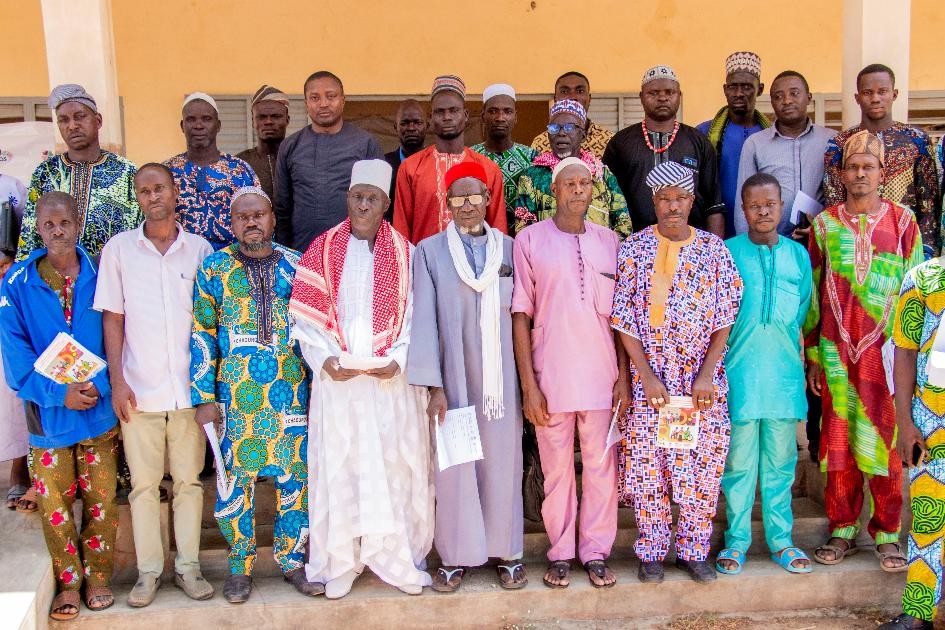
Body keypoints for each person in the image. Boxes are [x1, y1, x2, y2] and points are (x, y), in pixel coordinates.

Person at [289, 159, 433, 598]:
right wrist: (325, 360)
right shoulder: (323, 249)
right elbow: (305, 318)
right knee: (343, 465)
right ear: (347, 199)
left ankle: (396, 558)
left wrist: (401, 357)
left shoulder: (407, 252)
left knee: (393, 466)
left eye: (373, 198)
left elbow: (416, 317)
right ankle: (342, 562)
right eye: (357, 197)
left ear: (386, 204)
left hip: (390, 385)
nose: (364, 205)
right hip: (340, 385)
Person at [611, 161, 743, 584]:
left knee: (699, 467)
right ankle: (651, 551)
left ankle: (693, 549)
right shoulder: (633, 248)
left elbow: (725, 315)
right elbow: (623, 318)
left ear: (691, 201)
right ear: (653, 201)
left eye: (680, 198)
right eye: (664, 198)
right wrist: (644, 375)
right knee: (650, 467)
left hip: (697, 384)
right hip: (654, 384)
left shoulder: (713, 249)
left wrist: (706, 374)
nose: (672, 206)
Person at [190, 186, 319, 603]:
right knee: (234, 485)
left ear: (272, 218)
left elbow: (314, 334)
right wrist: (203, 396)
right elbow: (203, 335)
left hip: (290, 396)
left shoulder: (296, 267)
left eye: (258, 214)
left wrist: (319, 390)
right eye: (242, 216)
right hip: (235, 399)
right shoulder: (214, 268)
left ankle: (292, 561)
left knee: (295, 482)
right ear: (231, 224)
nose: (251, 222)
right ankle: (239, 568)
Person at [94, 163, 214, 607]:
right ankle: (148, 573)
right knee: (143, 487)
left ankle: (188, 568)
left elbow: (209, 322)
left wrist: (208, 391)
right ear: (137, 198)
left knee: (188, 483)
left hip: (188, 391)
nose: (152, 196)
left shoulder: (198, 250)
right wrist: (117, 381)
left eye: (159, 187)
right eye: (144, 191)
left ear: (175, 192)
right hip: (139, 391)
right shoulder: (120, 250)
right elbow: (113, 316)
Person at [805, 130, 923, 572]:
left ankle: (889, 534)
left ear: (882, 173)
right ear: (841, 173)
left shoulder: (904, 222)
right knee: (839, 440)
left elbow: (913, 292)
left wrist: (909, 353)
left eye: (868, 167)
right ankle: (842, 529)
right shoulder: (824, 225)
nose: (859, 174)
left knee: (886, 442)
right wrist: (815, 355)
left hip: (888, 354)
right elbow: (814, 296)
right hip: (836, 351)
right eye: (852, 166)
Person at [0, 192, 119, 620]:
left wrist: (101, 385)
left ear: (77, 223)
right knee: (55, 506)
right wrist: (59, 393)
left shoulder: (102, 272)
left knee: (102, 499)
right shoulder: (16, 284)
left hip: (98, 413)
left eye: (64, 222)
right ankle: (69, 584)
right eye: (47, 224)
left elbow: (121, 336)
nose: (57, 231)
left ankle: (99, 576)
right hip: (47, 420)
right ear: (37, 226)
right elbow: (16, 363)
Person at [408, 161, 526, 592]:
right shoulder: (429, 252)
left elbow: (524, 317)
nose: (467, 205)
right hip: (454, 379)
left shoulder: (512, 250)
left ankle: (508, 551)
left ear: (488, 200)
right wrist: (435, 386)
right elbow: (422, 321)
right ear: (447, 203)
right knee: (456, 465)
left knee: (503, 463)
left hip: (502, 382)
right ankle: (455, 556)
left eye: (474, 196)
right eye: (457, 197)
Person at [512, 157, 629, 590]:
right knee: (557, 470)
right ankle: (561, 552)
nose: (578, 190)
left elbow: (622, 319)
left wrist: (623, 377)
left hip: (601, 376)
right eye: (569, 184)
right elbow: (520, 315)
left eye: (585, 183)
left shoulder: (611, 243)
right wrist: (529, 385)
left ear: (592, 191)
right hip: (551, 376)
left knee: (602, 467)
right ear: (555, 191)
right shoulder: (528, 240)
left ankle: (595, 551)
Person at [716, 173, 812, 576]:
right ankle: (736, 542)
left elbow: (805, 310)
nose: (763, 212)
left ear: (782, 205)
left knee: (780, 463)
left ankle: (781, 541)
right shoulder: (726, 253)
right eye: (754, 205)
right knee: (737, 464)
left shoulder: (798, 256)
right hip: (739, 376)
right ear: (743, 209)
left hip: (784, 377)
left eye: (770, 204)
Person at [878, 252, 945, 630]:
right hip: (932, 423)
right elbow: (903, 352)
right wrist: (905, 422)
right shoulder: (921, 278)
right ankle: (919, 615)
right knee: (928, 520)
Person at [824, 64, 940, 256]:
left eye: (882, 92)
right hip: (853, 247)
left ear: (894, 94)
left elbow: (928, 204)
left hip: (906, 247)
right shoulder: (839, 144)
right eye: (867, 92)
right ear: (857, 98)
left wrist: (925, 252)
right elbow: (833, 201)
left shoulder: (916, 140)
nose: (875, 98)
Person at [17, 84, 141, 261]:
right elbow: (30, 233)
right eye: (63, 120)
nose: (72, 126)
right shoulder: (45, 173)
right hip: (55, 279)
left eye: (79, 117)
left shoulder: (126, 171)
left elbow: (139, 232)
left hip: (111, 276)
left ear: (98, 121)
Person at [603, 65, 724, 236]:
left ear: (679, 96)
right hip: (635, 246)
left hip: (691, 246)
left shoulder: (698, 142)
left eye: (669, 92)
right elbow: (607, 202)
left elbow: (713, 206)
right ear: (641, 97)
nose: (662, 98)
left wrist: (713, 250)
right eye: (653, 93)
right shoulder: (621, 143)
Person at [276, 71, 383, 251]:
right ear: (306, 103)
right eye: (315, 98)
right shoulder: (290, 146)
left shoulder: (366, 143)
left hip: (355, 252)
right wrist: (284, 253)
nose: (323, 104)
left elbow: (379, 205)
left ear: (343, 99)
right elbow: (282, 208)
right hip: (301, 251)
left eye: (331, 96)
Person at [393, 75, 506, 244]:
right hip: (426, 266)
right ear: (430, 117)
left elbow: (498, 231)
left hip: (476, 267)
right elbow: (401, 232)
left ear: (466, 115)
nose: (447, 117)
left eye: (454, 110)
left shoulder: (488, 168)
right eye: (440, 111)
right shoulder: (410, 168)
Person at [734, 71, 836, 238]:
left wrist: (826, 230)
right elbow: (743, 200)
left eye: (794, 94)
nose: (787, 100)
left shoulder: (831, 140)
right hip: (771, 242)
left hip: (819, 239)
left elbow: (840, 194)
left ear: (809, 97)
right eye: (778, 96)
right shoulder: (755, 144)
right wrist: (746, 246)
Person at [514, 100, 630, 238]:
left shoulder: (601, 174)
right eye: (554, 128)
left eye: (569, 127)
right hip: (550, 257)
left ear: (583, 135)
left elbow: (623, 223)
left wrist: (606, 253)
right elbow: (524, 228)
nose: (561, 133)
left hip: (598, 256)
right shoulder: (532, 176)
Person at [164, 92, 259, 251]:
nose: (198, 125)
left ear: (218, 125)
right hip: (179, 262)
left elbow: (257, 219)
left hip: (229, 264)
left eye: (207, 119)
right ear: (182, 126)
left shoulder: (239, 170)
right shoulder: (168, 172)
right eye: (191, 119)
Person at [697, 52, 771, 238]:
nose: (738, 93)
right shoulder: (703, 133)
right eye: (733, 87)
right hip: (715, 229)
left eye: (746, 87)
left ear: (760, 89)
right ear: (725, 89)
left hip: (762, 225)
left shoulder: (771, 135)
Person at [471, 83, 537, 234]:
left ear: (515, 117)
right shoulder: (470, 157)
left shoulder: (532, 157)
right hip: (480, 240)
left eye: (507, 112)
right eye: (493, 111)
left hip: (521, 241)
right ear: (483, 116)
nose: (500, 118)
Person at [530, 71, 613, 159]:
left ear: (589, 99)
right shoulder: (540, 143)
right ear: (555, 99)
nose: (573, 97)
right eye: (564, 91)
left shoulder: (609, 140)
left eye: (580, 91)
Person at [236, 85, 291, 204]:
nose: (268, 122)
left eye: (276, 116)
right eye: (262, 117)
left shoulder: (299, 159)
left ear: (287, 120)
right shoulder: (240, 164)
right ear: (253, 122)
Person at [384, 99, 427, 210]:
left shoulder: (437, 164)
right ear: (395, 127)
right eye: (404, 123)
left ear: (427, 125)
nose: (411, 128)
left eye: (417, 123)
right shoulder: (384, 165)